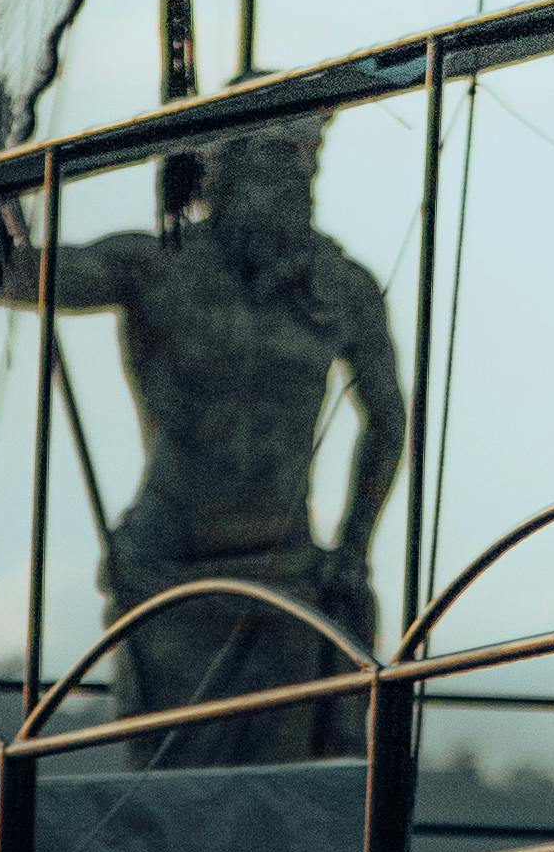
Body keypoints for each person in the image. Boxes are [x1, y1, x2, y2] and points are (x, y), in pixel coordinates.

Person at [57, 116, 405, 766]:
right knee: (164, 794)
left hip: (285, 578)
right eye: (271, 159)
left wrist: (355, 544)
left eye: (303, 163)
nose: (294, 180)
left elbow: (387, 418)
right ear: (222, 172)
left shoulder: (338, 286)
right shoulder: (157, 265)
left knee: (277, 797)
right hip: (168, 574)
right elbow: (34, 275)